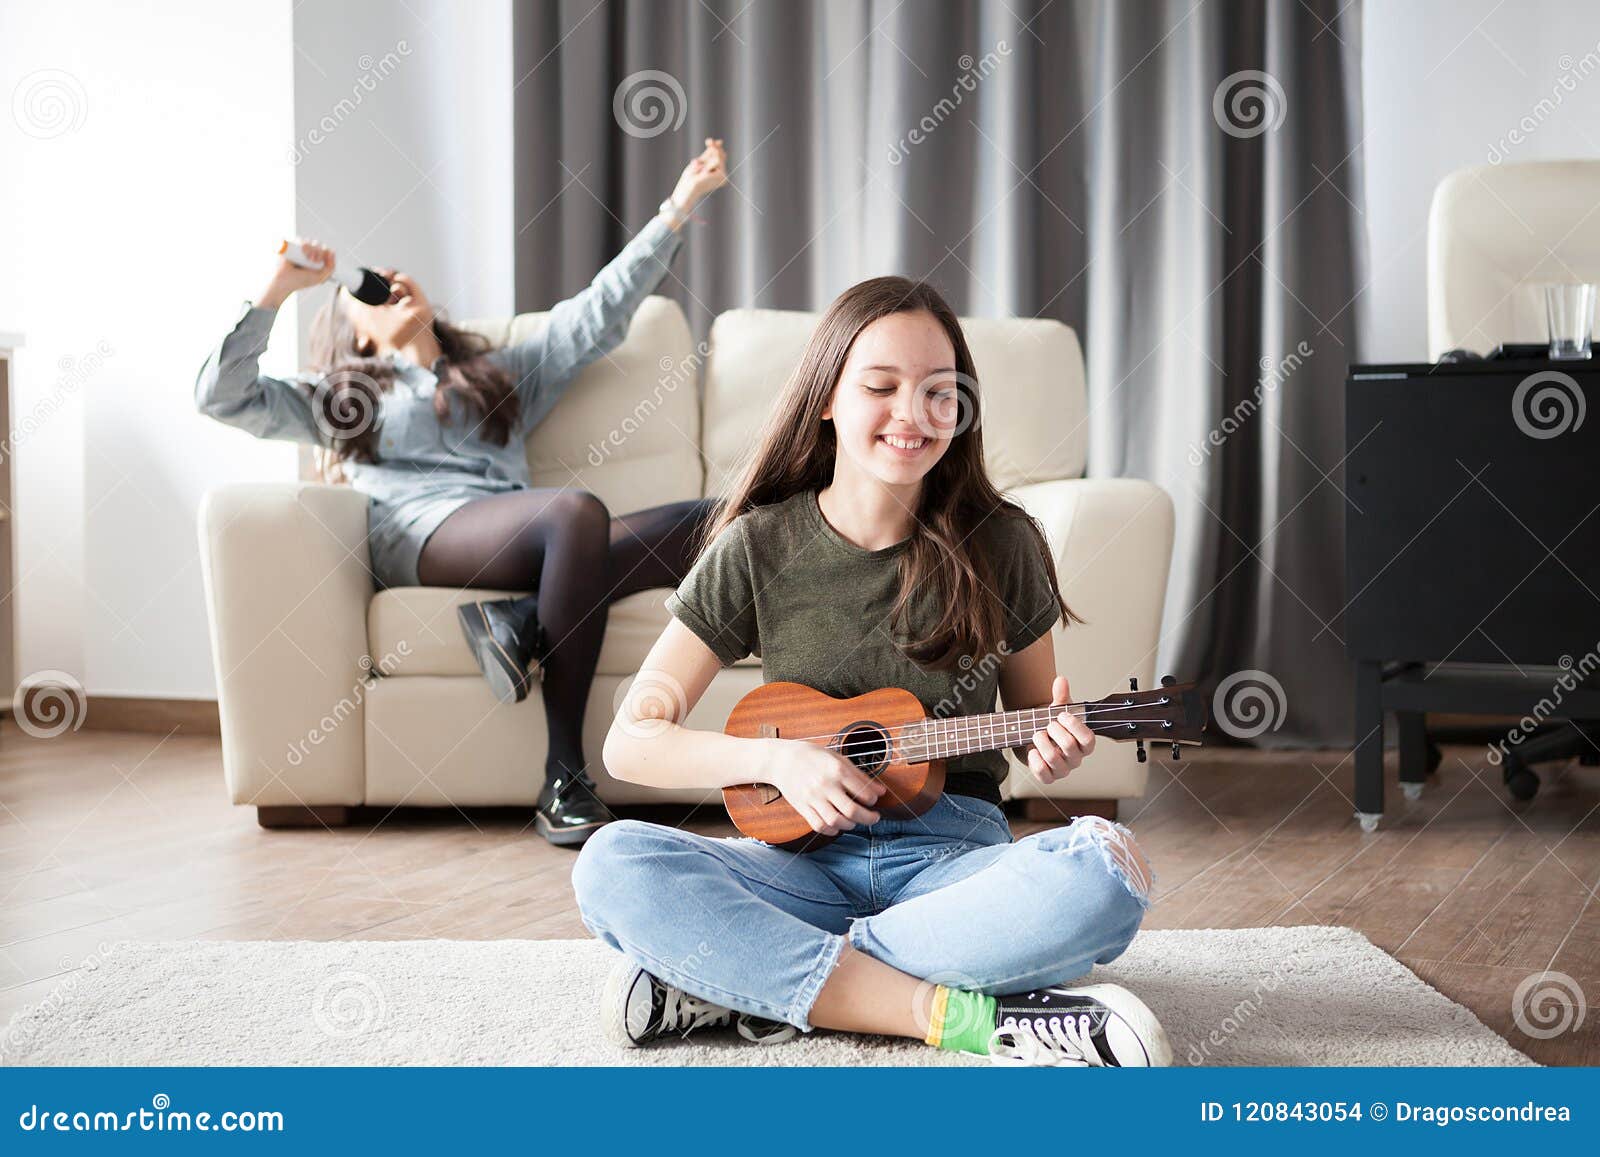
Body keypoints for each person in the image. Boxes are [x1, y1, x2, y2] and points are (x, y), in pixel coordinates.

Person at [572, 275, 1172, 1065]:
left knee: (1103, 869)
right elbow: (631, 742)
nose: (912, 415)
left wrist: (1054, 749)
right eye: (881, 387)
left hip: (956, 864)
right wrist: (774, 758)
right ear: (827, 398)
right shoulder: (758, 546)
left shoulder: (1005, 543)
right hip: (800, 869)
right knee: (613, 866)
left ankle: (747, 976)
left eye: (938, 392)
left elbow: (1035, 729)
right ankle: (954, 1012)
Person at [196, 140, 730, 846]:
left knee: (715, 520)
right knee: (575, 511)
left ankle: (523, 619)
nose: (391, 282)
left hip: (525, 537)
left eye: (399, 277)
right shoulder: (344, 395)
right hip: (424, 536)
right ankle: (565, 773)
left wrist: (678, 206)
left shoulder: (499, 373)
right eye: (370, 290)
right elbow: (221, 395)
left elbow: (598, 313)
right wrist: (277, 290)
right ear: (350, 329)